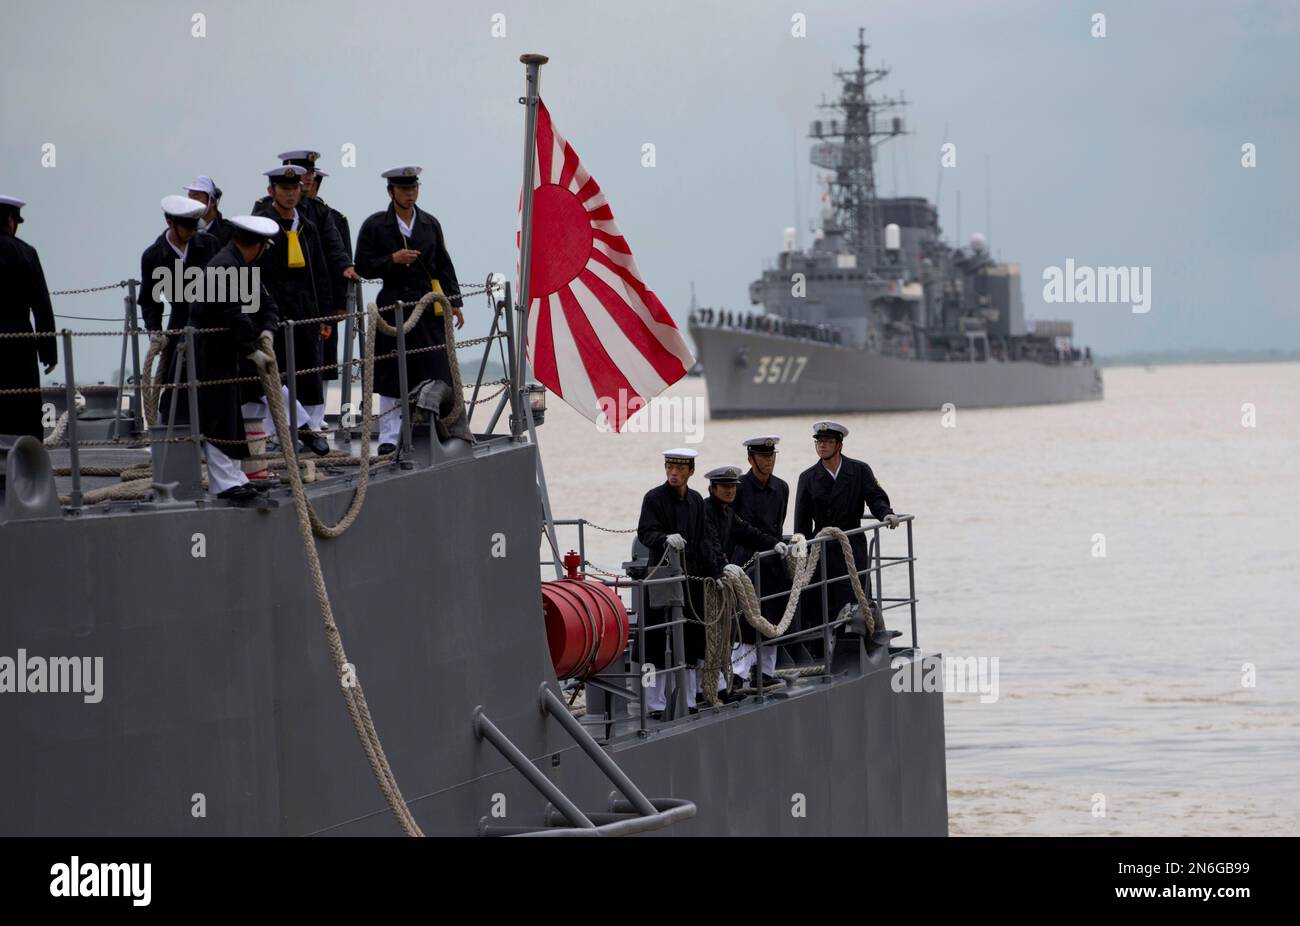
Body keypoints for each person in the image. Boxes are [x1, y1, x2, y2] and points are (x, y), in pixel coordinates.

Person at [353, 166, 465, 455]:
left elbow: (443, 263)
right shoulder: (376, 225)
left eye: (413, 188)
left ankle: (433, 427)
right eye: (403, 189)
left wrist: (455, 302)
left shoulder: (429, 224)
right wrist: (392, 259)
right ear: (391, 192)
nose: (410, 193)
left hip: (426, 306)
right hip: (392, 305)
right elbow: (363, 265)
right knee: (392, 372)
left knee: (433, 367)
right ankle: (390, 437)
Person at [189, 215, 281, 501]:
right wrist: (253, 350)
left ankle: (234, 476)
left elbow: (267, 304)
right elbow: (232, 312)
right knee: (218, 418)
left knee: (230, 416)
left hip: (227, 353)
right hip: (211, 352)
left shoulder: (238, 265)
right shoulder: (225, 267)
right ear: (259, 246)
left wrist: (268, 329)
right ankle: (224, 483)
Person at [635, 448, 729, 717]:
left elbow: (704, 541)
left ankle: (688, 699)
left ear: (690, 471)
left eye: (679, 469)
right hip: (663, 577)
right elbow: (645, 532)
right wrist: (664, 538)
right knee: (653, 643)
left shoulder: (696, 501)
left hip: (692, 580)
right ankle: (653, 703)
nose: (673, 473)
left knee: (690, 641)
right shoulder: (653, 498)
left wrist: (719, 572)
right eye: (669, 468)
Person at [251, 165, 332, 455]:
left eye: (294, 189)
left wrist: (324, 314)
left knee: (308, 373)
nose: (289, 194)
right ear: (271, 191)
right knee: (276, 372)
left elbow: (320, 272)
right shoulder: (261, 226)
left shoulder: (307, 227)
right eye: (283, 189)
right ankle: (279, 433)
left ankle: (308, 428)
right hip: (272, 309)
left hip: (305, 310)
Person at [793, 420, 898, 639]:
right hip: (822, 551)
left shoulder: (858, 470)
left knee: (856, 595)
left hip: (852, 545)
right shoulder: (808, 478)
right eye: (819, 442)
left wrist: (885, 513)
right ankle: (825, 643)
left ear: (839, 445)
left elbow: (875, 497)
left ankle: (858, 639)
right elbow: (801, 526)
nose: (822, 446)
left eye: (827, 442)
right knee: (823, 600)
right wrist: (800, 560)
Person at [703, 464, 786, 696]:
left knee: (725, 629)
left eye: (733, 486)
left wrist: (773, 543)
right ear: (713, 488)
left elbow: (747, 532)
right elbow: (708, 542)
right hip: (707, 581)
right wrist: (721, 566)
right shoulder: (705, 511)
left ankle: (721, 685)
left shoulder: (727, 513)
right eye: (725, 486)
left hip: (720, 578)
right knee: (710, 634)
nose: (730, 491)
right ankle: (712, 686)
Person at [139, 195, 221, 422]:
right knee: (176, 385)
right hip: (180, 324)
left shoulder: (210, 245)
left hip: (211, 324)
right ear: (169, 222)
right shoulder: (154, 256)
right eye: (186, 226)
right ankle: (175, 435)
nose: (192, 231)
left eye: (194, 226)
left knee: (217, 384)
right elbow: (150, 301)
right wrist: (155, 332)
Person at [731, 436, 793, 682]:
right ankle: (738, 673)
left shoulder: (782, 488)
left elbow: (778, 523)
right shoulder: (739, 487)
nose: (769, 461)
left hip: (773, 560)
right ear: (750, 459)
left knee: (773, 616)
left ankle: (766, 671)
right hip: (747, 560)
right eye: (763, 457)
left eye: (771, 456)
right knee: (745, 620)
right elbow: (736, 527)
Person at [0, 195, 56, 441]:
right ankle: (26, 464)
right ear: (11, 220)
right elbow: (41, 306)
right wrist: (48, 351)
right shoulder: (25, 253)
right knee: (23, 406)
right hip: (17, 340)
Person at [307, 167, 353, 424]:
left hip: (324, 297)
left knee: (323, 359)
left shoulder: (334, 218)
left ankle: (316, 415)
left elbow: (342, 261)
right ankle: (296, 418)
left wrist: (340, 304)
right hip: (296, 297)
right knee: (290, 358)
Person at [184, 176, 232, 247]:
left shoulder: (230, 232)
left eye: (196, 197)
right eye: (190, 197)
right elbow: (177, 256)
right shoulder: (182, 230)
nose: (191, 202)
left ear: (212, 201)